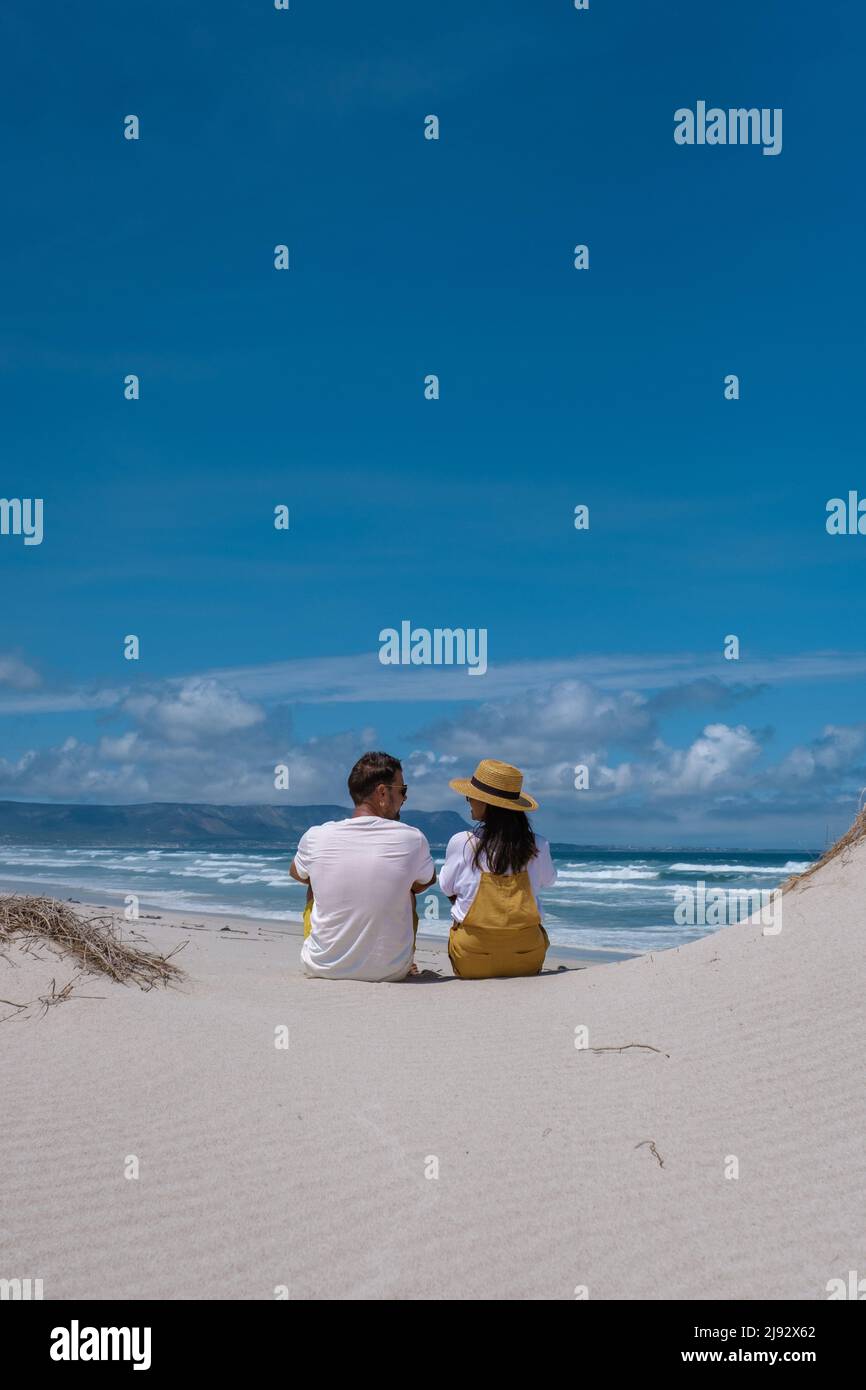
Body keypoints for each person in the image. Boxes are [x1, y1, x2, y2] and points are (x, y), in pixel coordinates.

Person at [289, 752, 436, 982]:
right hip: (391, 971)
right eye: (402, 790)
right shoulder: (412, 838)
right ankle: (392, 958)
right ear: (382, 792)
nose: (405, 798)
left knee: (312, 884)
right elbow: (424, 883)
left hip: (320, 967)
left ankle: (333, 953)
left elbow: (297, 873)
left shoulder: (316, 836)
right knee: (408, 890)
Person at [439, 759, 556, 979]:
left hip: (472, 959)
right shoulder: (538, 845)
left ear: (486, 803)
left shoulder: (462, 841)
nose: (468, 801)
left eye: (470, 797)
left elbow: (446, 887)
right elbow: (548, 881)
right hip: (526, 958)